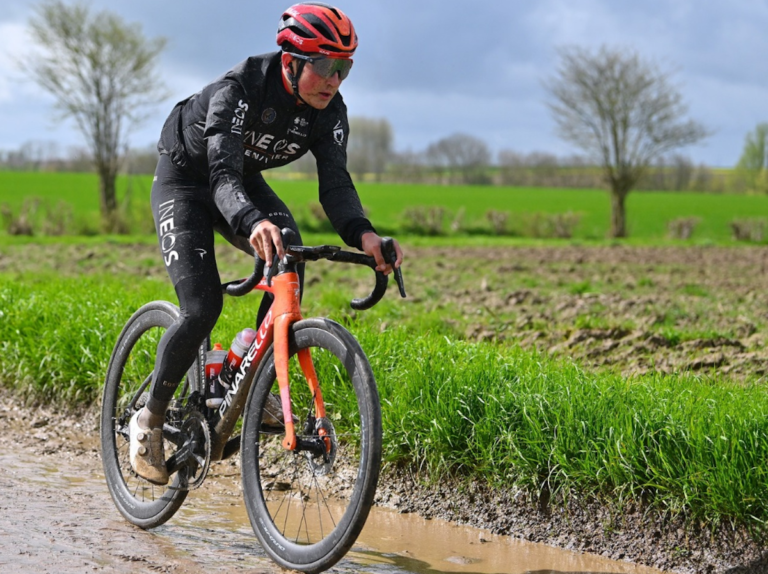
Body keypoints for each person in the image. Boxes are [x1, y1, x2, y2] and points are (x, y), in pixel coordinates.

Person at [129, 2, 404, 485]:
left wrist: (367, 237)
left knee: (291, 253)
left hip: (239, 179)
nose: (334, 80)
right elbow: (219, 174)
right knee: (201, 305)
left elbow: (336, 186)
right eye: (324, 66)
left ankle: (245, 365)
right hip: (189, 180)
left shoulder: (329, 110)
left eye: (345, 68)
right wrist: (251, 220)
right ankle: (147, 419)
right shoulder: (241, 88)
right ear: (292, 60)